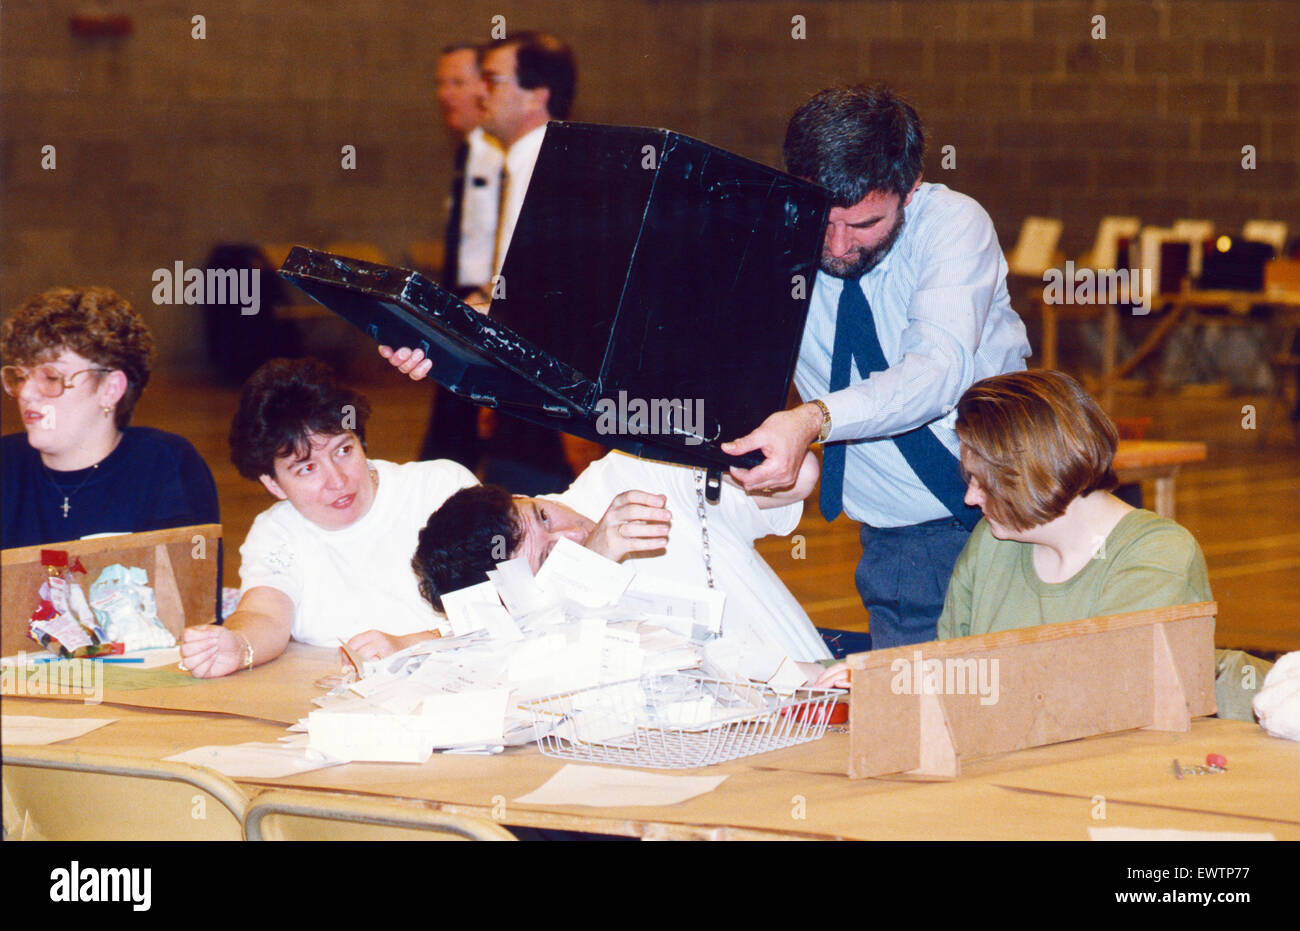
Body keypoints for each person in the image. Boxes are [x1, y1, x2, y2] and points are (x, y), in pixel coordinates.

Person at [723, 85, 1030, 650]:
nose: (838, 245)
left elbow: (935, 372)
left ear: (909, 192)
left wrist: (809, 420)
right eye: (824, 219)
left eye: (864, 224)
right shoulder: (772, 231)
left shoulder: (953, 226)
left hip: (1010, 520)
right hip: (902, 544)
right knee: (916, 722)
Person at [816, 370, 1211, 685]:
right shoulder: (990, 541)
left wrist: (905, 674)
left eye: (982, 482)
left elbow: (1098, 689)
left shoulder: (1160, 554)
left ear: (1033, 476)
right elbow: (951, 664)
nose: (970, 499)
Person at [179, 358, 476, 678]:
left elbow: (505, 606)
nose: (337, 481)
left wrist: (410, 645)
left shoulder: (441, 488)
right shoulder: (276, 532)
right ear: (273, 484)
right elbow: (264, 613)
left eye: (343, 450)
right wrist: (238, 645)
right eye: (307, 468)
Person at [412, 450, 833, 670]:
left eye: (544, 515)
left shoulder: (634, 471)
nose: (574, 533)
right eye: (546, 556)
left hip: (823, 706)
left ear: (521, 496)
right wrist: (590, 565)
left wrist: (735, 456)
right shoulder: (538, 641)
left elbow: (803, 476)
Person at [386, 31, 581, 496]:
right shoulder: (528, 161)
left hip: (540, 391)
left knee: (525, 508)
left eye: (491, 80)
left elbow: (554, 298)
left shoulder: (546, 167)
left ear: (537, 94)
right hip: (527, 379)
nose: (479, 92)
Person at [1, 286, 219, 549]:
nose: (26, 393)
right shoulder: (6, 465)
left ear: (110, 389)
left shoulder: (166, 465)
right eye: (21, 376)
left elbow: (190, 584)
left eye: (50, 377)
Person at [417, 42, 502, 469]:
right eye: (440, 83)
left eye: (457, 82)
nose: (444, 94)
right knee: (451, 434)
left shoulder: (497, 153)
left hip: (482, 308)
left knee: (461, 439)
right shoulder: (471, 151)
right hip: (460, 306)